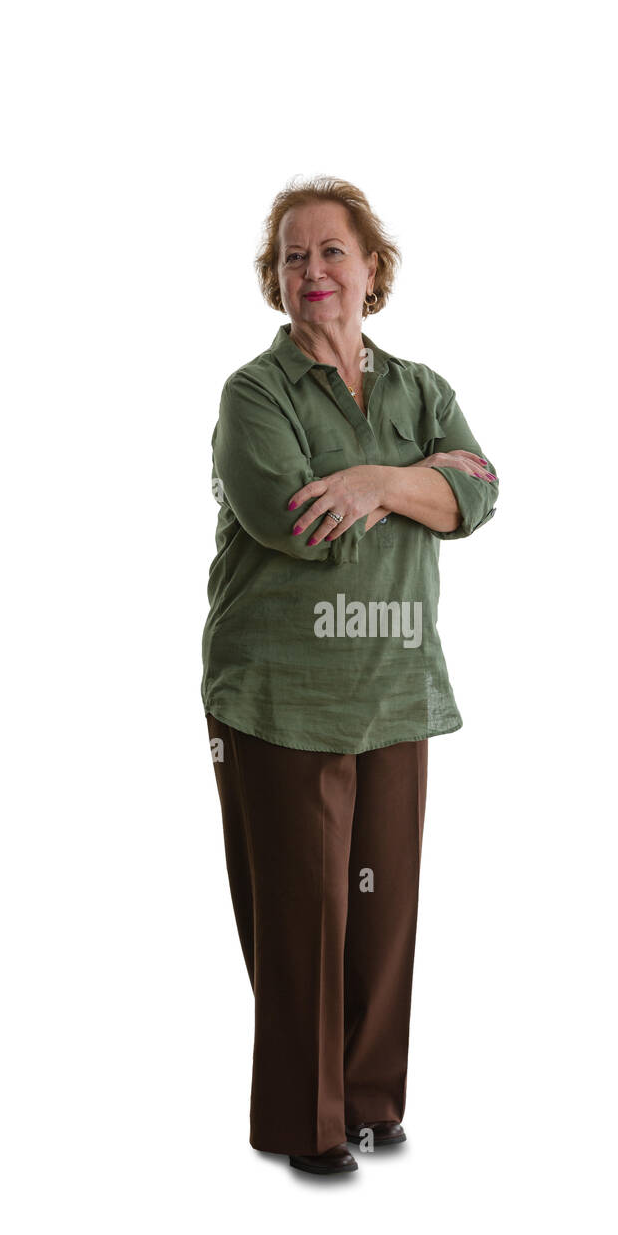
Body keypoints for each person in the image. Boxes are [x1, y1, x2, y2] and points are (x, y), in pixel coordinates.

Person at [201, 176, 499, 1175]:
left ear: (372, 269)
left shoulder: (420, 388)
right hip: (278, 692)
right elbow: (298, 518)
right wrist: (422, 485)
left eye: (331, 251)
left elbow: (482, 491)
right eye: (293, 256)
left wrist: (376, 480)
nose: (312, 270)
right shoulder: (256, 394)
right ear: (275, 281)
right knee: (300, 919)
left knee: (377, 911)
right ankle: (308, 1123)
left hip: (394, 681)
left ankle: (370, 1101)